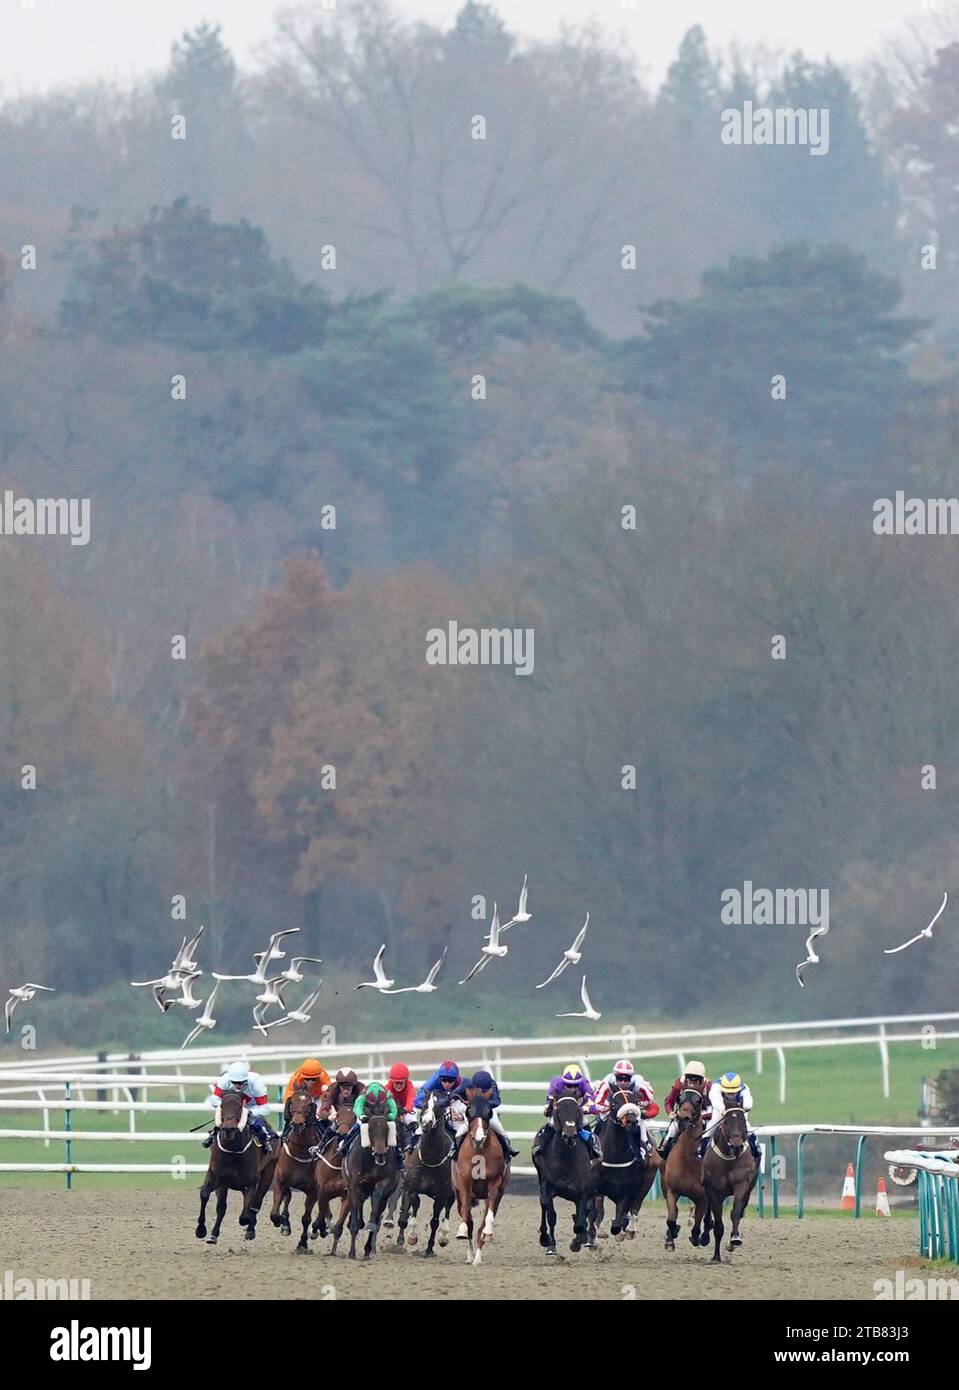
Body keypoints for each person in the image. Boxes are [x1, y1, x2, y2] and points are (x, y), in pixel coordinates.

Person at [204, 1059, 277, 1153]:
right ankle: (213, 1135)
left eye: (241, 1082)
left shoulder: (256, 1083)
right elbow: (214, 1100)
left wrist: (248, 1112)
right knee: (223, 1121)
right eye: (234, 1082)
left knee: (256, 1123)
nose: (238, 1085)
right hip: (232, 1108)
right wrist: (227, 1108)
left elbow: (265, 1109)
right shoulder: (225, 1080)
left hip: (252, 1107)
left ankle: (265, 1141)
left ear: (246, 1079)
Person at [591, 1059, 659, 1158]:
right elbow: (597, 1103)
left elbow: (650, 1099)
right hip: (611, 1104)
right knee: (603, 1116)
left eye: (626, 1079)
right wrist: (611, 1108)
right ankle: (595, 1145)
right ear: (614, 1076)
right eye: (619, 1078)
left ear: (631, 1078)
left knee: (639, 1118)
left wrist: (635, 1105)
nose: (622, 1082)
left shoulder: (639, 1083)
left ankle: (644, 1145)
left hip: (632, 1104)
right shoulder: (607, 1083)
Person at [532, 1064, 599, 1157]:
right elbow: (549, 1102)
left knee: (584, 1123)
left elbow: (592, 1104)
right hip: (560, 1111)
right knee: (551, 1123)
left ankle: (592, 1148)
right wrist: (549, 1108)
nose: (572, 1089)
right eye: (569, 1085)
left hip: (577, 1111)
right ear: (563, 1082)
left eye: (576, 1086)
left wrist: (579, 1110)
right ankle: (541, 1146)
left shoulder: (584, 1084)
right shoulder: (555, 1083)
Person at [450, 1069, 519, 1158]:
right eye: (480, 1090)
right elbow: (454, 1094)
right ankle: (454, 1149)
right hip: (473, 1114)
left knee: (499, 1129)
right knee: (460, 1132)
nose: (482, 1093)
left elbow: (496, 1101)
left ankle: (508, 1148)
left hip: (487, 1113)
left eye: (485, 1091)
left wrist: (482, 1103)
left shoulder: (493, 1086)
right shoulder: (467, 1085)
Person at [700, 1071, 762, 1162]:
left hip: (738, 1109)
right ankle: (702, 1147)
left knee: (746, 1126)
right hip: (722, 1109)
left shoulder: (744, 1088)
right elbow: (715, 1100)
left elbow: (748, 1104)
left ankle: (755, 1145)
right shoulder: (716, 1087)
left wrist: (737, 1110)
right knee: (711, 1125)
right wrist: (724, 1111)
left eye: (733, 1093)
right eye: (728, 1093)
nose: (730, 1095)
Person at [657, 1060, 712, 1160]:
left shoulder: (708, 1087)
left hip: (703, 1113)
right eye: (690, 1080)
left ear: (701, 1080)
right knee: (673, 1128)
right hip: (683, 1113)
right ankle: (664, 1148)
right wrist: (671, 1112)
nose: (692, 1084)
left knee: (711, 1129)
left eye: (695, 1081)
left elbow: (713, 1107)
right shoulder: (679, 1084)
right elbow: (669, 1101)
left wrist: (702, 1116)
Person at [311, 1068, 364, 1155]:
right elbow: (324, 1109)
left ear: (354, 1085)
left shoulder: (361, 1090)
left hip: (356, 1118)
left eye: (349, 1087)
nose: (346, 1090)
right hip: (338, 1119)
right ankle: (320, 1146)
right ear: (338, 1086)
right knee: (328, 1126)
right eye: (343, 1087)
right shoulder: (332, 1090)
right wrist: (328, 1116)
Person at [337, 1080, 398, 1156]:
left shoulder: (388, 1094)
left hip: (383, 1115)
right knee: (358, 1126)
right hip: (367, 1115)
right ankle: (345, 1145)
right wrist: (362, 1115)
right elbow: (357, 1107)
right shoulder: (363, 1094)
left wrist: (390, 1116)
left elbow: (394, 1110)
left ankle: (398, 1152)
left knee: (392, 1126)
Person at [281, 1057, 331, 1132]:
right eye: (307, 1079)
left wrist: (323, 1109)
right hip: (301, 1098)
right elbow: (289, 1096)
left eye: (313, 1079)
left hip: (318, 1097)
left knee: (324, 1116)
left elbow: (329, 1096)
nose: (310, 1082)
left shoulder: (324, 1077)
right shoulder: (296, 1078)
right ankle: (284, 1135)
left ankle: (326, 1134)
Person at [384, 1061, 418, 1152]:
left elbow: (411, 1101)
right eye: (396, 1083)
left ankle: (414, 1140)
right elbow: (385, 1102)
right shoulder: (387, 1087)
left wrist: (405, 1109)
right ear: (392, 1081)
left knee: (410, 1118)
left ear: (406, 1081)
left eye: (401, 1083)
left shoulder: (410, 1086)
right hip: (393, 1110)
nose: (398, 1086)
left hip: (405, 1109)